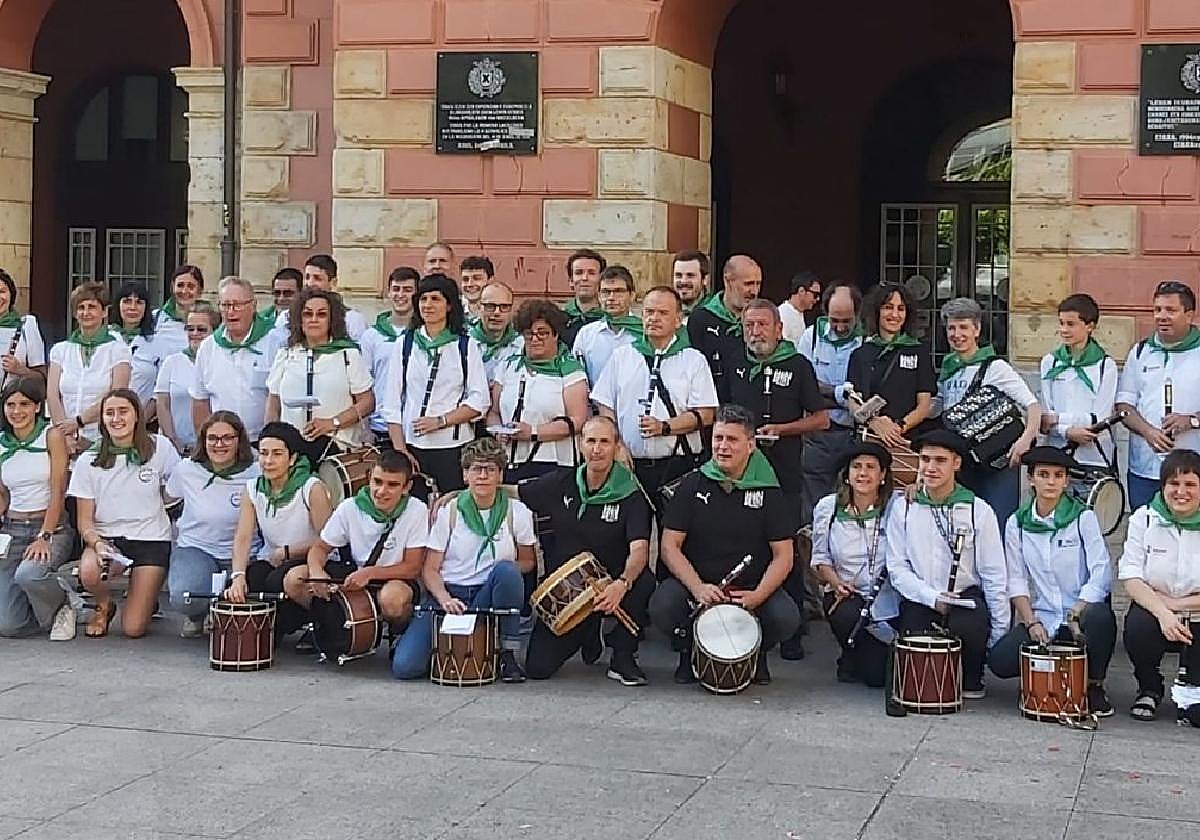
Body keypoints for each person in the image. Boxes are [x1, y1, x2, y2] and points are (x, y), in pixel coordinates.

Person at [652, 404, 800, 685]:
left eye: (732, 440)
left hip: (749, 586)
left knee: (785, 617)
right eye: (718, 438)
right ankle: (689, 653)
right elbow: (670, 545)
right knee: (662, 605)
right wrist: (697, 587)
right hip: (700, 584)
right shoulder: (693, 484)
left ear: (751, 444)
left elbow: (784, 555)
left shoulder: (769, 490)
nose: (723, 447)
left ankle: (755, 654)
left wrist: (757, 595)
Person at [727, 298, 829, 659]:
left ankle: (792, 630)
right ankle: (739, 620)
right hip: (739, 475)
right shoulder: (735, 362)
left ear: (778, 329)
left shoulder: (797, 365)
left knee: (785, 549)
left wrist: (783, 430)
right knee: (740, 544)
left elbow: (821, 419)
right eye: (749, 326)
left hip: (782, 473)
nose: (755, 332)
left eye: (762, 325)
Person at [522, 416, 655, 685]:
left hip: (613, 585)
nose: (597, 449)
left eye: (605, 442)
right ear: (581, 444)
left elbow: (640, 549)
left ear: (617, 447)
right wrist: (458, 494)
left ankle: (623, 655)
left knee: (643, 581)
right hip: (571, 592)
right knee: (537, 667)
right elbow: (515, 492)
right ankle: (587, 631)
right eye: (591, 441)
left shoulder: (632, 493)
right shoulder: (562, 481)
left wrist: (622, 584)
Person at [390, 438, 537, 682]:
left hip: (488, 593)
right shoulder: (450, 511)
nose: (482, 476)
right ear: (465, 475)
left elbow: (528, 562)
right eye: (475, 469)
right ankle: (441, 644)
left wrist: (497, 571)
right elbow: (430, 569)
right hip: (452, 593)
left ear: (500, 476)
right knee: (405, 668)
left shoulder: (516, 512)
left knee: (508, 572)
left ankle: (508, 653)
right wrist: (445, 599)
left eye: (490, 469)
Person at [988, 446, 1115, 716]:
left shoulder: (1083, 518)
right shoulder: (1017, 523)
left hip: (1079, 613)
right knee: (1000, 662)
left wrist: (1078, 610)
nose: (1051, 481)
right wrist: (1031, 621)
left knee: (1102, 618)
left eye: (1058, 475)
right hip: (1044, 616)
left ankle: (1094, 684)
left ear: (1066, 481)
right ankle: (1051, 673)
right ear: (1031, 479)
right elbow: (1016, 578)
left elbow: (1101, 571)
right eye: (1043, 475)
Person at [885, 429, 1008, 699]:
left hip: (964, 597)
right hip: (922, 596)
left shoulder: (979, 509)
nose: (930, 468)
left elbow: (994, 572)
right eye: (925, 459)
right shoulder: (903, 507)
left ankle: (972, 674)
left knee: (970, 627)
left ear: (956, 464)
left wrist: (999, 631)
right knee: (913, 654)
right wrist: (932, 597)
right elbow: (897, 568)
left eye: (940, 460)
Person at [592, 286, 716, 516]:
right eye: (649, 312)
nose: (654, 318)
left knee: (674, 535)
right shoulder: (623, 356)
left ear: (678, 320)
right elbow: (604, 405)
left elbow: (706, 414)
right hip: (629, 463)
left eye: (662, 313)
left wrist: (665, 427)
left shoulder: (693, 360)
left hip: (676, 464)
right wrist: (616, 444)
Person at [70, 389, 181, 638]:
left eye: (123, 411)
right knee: (89, 571)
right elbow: (84, 521)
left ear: (137, 416)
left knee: (133, 629)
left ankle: (144, 597)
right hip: (108, 539)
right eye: (109, 413)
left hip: (151, 538)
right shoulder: (88, 461)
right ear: (102, 420)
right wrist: (97, 544)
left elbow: (177, 489)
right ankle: (104, 604)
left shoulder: (159, 447)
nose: (117, 419)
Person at [937, 297, 1041, 527]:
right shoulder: (948, 369)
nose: (957, 334)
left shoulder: (996, 367)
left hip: (997, 461)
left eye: (963, 327)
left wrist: (1025, 440)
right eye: (951, 328)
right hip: (962, 462)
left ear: (977, 329)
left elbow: (1032, 406)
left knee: (997, 524)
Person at [225, 422, 332, 645]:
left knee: (279, 581)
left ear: (292, 458)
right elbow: (243, 537)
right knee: (248, 583)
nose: (268, 461)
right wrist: (238, 576)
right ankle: (272, 629)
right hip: (274, 558)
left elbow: (328, 539)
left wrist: (287, 551)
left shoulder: (312, 487)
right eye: (263, 453)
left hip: (310, 558)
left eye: (277, 454)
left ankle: (321, 621)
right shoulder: (253, 488)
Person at [383, 273, 489, 494]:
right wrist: (401, 451)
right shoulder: (406, 343)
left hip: (453, 447)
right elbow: (392, 402)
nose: (428, 305)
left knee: (450, 507)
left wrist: (441, 421)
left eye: (435, 299)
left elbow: (480, 400)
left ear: (449, 305)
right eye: (423, 299)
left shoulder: (464, 346)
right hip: (412, 447)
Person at [301, 448, 428, 630]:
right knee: (295, 580)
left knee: (392, 599)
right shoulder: (350, 507)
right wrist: (316, 572)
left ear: (407, 487)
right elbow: (320, 548)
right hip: (358, 573)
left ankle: (399, 632)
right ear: (369, 478)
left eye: (392, 485)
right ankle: (326, 627)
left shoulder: (417, 510)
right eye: (377, 482)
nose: (381, 491)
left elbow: (412, 567)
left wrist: (369, 573)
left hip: (397, 577)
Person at [1118, 449, 1200, 722]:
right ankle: (1149, 687)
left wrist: (1177, 605)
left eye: (1190, 484)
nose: (1181, 492)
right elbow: (1130, 577)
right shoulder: (1144, 518)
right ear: (1163, 486)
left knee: (1195, 714)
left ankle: (1192, 690)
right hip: (1155, 609)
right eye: (1174, 484)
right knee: (1138, 626)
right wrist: (1165, 613)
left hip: (1195, 609)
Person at [810, 441, 899, 687]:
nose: (863, 473)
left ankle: (864, 657)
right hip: (847, 595)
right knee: (844, 611)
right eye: (857, 467)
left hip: (890, 599)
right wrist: (835, 582)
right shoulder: (828, 508)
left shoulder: (897, 506)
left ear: (882, 476)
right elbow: (819, 558)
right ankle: (851, 654)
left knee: (879, 677)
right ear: (847, 475)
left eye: (871, 467)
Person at [165, 411, 261, 637]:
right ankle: (197, 614)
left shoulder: (256, 472)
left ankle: (219, 610)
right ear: (203, 441)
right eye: (213, 438)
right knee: (184, 597)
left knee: (252, 600)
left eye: (228, 438)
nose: (220, 444)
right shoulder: (186, 469)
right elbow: (167, 499)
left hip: (247, 553)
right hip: (196, 547)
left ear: (240, 441)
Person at [1115, 280, 1200, 511]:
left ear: (1189, 315)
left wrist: (1191, 421)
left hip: (1193, 471)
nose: (1162, 316)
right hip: (1145, 468)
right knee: (1143, 532)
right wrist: (1148, 431)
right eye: (1157, 309)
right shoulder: (1141, 351)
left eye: (1171, 310)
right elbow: (1124, 404)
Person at [0, 378, 74, 640]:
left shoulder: (51, 436)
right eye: (10, 404)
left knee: (29, 574)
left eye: (24, 404)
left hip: (50, 526)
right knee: (9, 626)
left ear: (36, 407)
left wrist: (44, 535)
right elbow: (3, 497)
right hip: (12, 527)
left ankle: (66, 602)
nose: (17, 411)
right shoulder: (1, 442)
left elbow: (58, 492)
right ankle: (45, 615)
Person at [266, 287, 374, 462]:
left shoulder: (347, 354)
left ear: (331, 320)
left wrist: (332, 423)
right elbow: (273, 403)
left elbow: (367, 402)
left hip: (336, 446)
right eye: (308, 314)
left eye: (321, 314)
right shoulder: (286, 354)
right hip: (291, 451)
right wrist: (271, 439)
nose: (314, 320)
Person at [488, 298, 588, 483]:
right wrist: (498, 432)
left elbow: (577, 421)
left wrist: (533, 432)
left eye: (542, 333)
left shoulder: (570, 370)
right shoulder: (509, 365)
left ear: (555, 334)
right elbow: (494, 412)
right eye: (529, 333)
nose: (535, 339)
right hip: (509, 460)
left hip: (554, 463)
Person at [799, 282, 864, 525]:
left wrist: (826, 394)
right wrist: (841, 396)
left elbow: (864, 392)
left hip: (853, 434)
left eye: (846, 321)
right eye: (834, 319)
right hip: (818, 435)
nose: (839, 327)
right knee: (813, 505)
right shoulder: (812, 336)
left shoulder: (866, 340)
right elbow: (805, 384)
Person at [191, 276, 279, 443]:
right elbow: (200, 401)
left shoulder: (274, 342)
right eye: (225, 305)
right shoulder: (209, 347)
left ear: (253, 306)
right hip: (222, 444)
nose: (230, 311)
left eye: (237, 305)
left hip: (263, 442)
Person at [847, 282, 935, 448]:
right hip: (868, 439)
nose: (894, 314)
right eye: (888, 307)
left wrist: (896, 429)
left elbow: (924, 405)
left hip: (904, 440)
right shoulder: (860, 353)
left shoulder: (918, 351)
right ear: (877, 311)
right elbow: (852, 400)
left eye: (901, 309)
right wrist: (874, 423)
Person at [48, 281, 132, 454]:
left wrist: (79, 422)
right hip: (63, 439)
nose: (86, 312)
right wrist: (66, 434)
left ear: (104, 312)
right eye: (81, 307)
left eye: (92, 307)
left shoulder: (118, 349)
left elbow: (117, 395)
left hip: (102, 435)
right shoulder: (60, 350)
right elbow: (52, 395)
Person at [1039, 294, 1118, 473]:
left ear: (1090, 326)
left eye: (1071, 324)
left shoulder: (1105, 365)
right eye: (1061, 323)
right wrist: (1066, 431)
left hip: (1094, 457)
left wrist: (1058, 420)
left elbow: (1098, 417)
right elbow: (1045, 416)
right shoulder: (1050, 362)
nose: (1064, 330)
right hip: (1057, 454)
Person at [688, 254, 762, 401]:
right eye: (748, 284)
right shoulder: (701, 318)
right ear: (728, 281)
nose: (754, 291)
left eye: (758, 284)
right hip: (714, 410)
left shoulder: (763, 318)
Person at [361, 266, 419, 446]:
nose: (400, 295)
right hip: (380, 425)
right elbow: (363, 384)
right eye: (396, 289)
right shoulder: (371, 336)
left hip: (415, 425)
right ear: (388, 293)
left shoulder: (424, 335)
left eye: (408, 290)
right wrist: (364, 427)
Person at [155, 302, 218, 454]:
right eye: (190, 328)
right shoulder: (172, 362)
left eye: (201, 329)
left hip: (213, 448)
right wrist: (173, 441)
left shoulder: (221, 362)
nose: (194, 333)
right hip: (175, 448)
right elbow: (162, 403)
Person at [572, 265, 643, 385]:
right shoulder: (586, 334)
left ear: (632, 296)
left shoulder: (643, 332)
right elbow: (576, 375)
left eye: (618, 292)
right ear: (599, 296)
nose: (611, 298)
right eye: (606, 292)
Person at [109, 280, 165, 419]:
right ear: (118, 305)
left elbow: (159, 391)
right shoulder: (107, 337)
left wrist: (141, 421)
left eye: (139, 302)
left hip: (143, 421)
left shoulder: (157, 342)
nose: (133, 307)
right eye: (127, 301)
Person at [299, 254, 368, 339]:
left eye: (317, 278)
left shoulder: (352, 319)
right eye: (307, 277)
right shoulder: (287, 316)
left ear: (333, 282)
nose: (310, 283)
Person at [469, 281, 524, 383]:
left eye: (504, 307)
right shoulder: (463, 343)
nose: (497, 312)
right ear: (478, 308)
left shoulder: (522, 346)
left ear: (511, 310)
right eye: (490, 306)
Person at [0, 268, 46, 385]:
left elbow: (41, 378)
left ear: (11, 294)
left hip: (14, 401)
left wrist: (19, 370)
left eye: (2, 291)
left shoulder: (26, 326)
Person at [153, 265, 205, 355]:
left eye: (191, 286)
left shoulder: (211, 320)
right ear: (173, 288)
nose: (184, 291)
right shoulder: (155, 318)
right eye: (180, 285)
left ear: (200, 290)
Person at [560, 248, 605, 347]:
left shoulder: (610, 319)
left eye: (591, 273)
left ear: (601, 280)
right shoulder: (558, 319)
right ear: (571, 280)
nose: (584, 278)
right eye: (579, 272)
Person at [778, 270, 822, 344]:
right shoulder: (783, 314)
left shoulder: (798, 314)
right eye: (815, 295)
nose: (818, 299)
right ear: (801, 291)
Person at [672, 250, 710, 321]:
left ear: (705, 279)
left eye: (690, 275)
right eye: (678, 275)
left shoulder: (714, 312)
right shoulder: (663, 310)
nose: (683, 281)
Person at [459, 255, 493, 324]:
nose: (470, 284)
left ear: (490, 280)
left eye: (477, 278)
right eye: (465, 279)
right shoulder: (452, 310)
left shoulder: (502, 311)